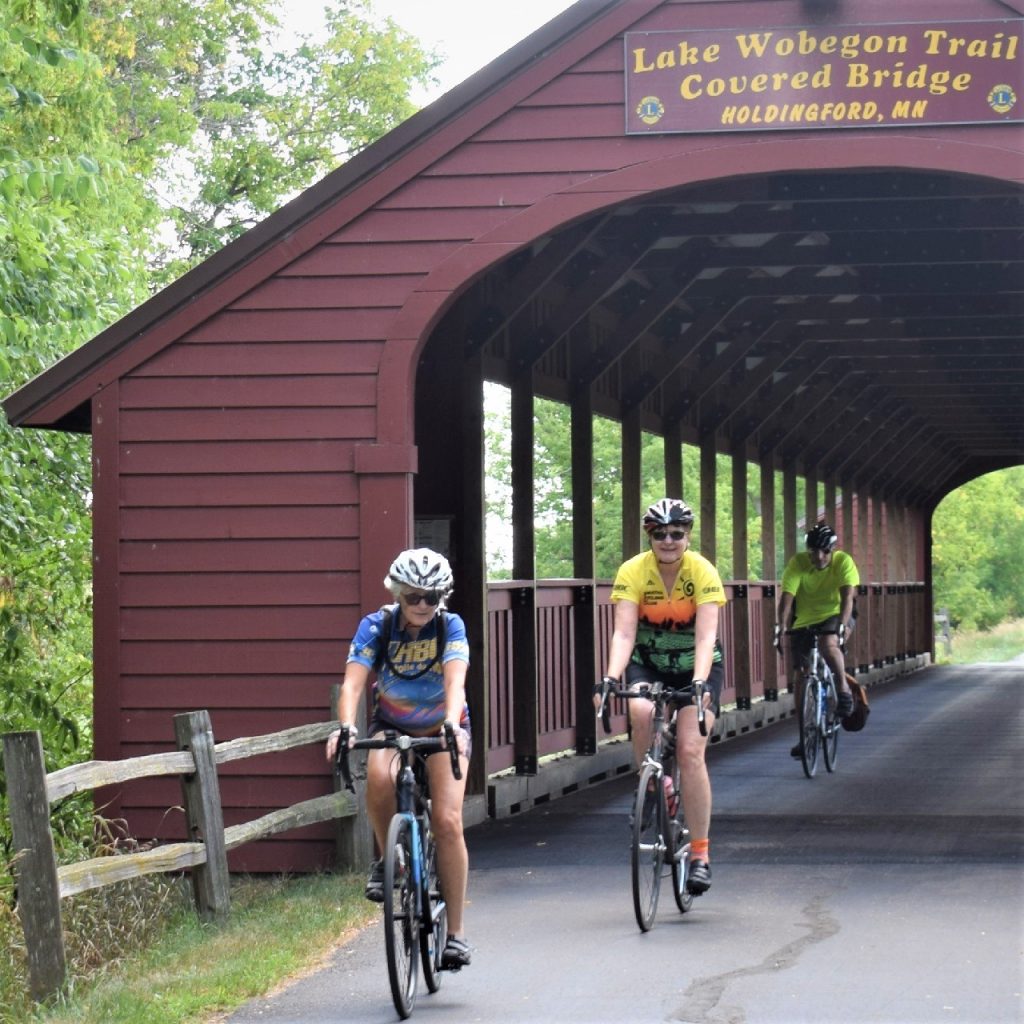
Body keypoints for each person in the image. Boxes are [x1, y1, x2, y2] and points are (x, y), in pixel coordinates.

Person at [326, 547, 472, 969]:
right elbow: (353, 684)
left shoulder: (451, 626)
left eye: (432, 596)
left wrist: (450, 722)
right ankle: (385, 858)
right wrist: (346, 726)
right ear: (397, 593)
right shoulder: (377, 625)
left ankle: (457, 936)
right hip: (392, 724)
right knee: (379, 775)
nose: (423, 605)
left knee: (447, 820)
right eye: (413, 596)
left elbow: (455, 679)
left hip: (441, 726)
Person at [598, 498, 726, 895]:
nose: (669, 540)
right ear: (649, 536)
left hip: (696, 665)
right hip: (648, 662)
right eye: (660, 534)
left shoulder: (702, 570)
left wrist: (701, 682)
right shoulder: (633, 571)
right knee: (638, 707)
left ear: (687, 536)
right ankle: (652, 783)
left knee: (690, 751)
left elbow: (706, 635)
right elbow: (623, 633)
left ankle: (701, 854)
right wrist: (609, 678)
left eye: (677, 533)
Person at [777, 522, 860, 758]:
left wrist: (843, 627)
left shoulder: (843, 562)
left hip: (836, 614)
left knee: (828, 643)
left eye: (825, 551)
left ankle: (842, 688)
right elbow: (786, 599)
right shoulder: (798, 563)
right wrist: (780, 626)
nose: (819, 556)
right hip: (805, 618)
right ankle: (805, 735)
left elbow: (847, 599)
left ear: (832, 550)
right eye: (814, 551)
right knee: (801, 675)